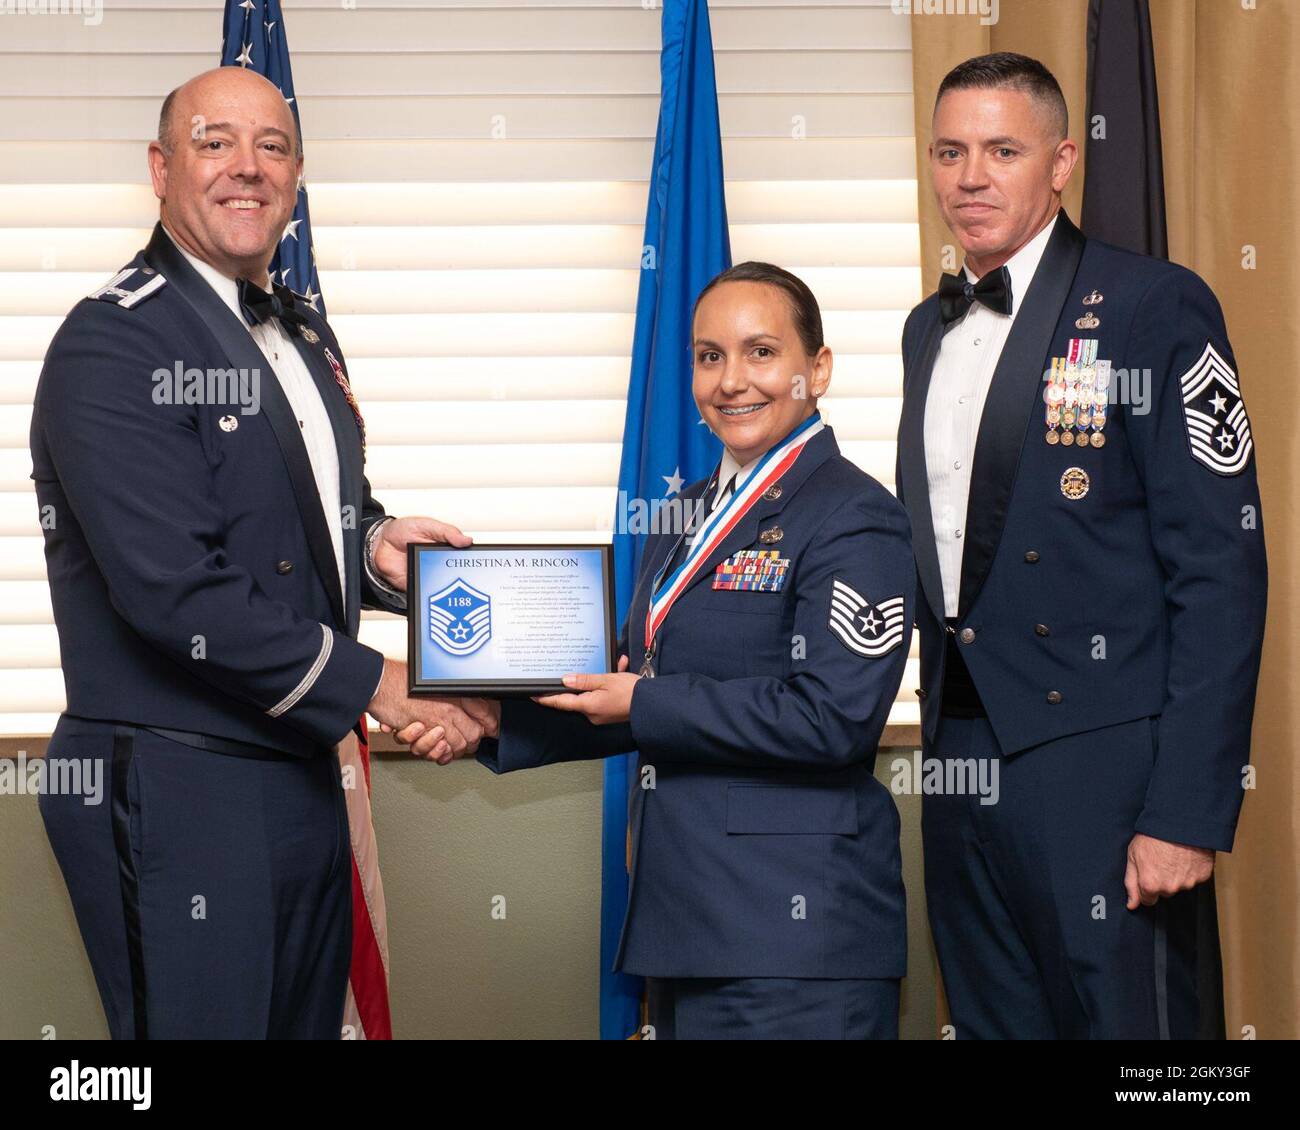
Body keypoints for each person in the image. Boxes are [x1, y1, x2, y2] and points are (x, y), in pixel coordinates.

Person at [30, 66, 486, 1039]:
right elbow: (177, 591)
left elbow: (304, 521)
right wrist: (383, 683)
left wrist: (378, 552)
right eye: (214, 142)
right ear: (160, 167)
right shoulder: (114, 341)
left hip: (293, 762)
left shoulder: (301, 330)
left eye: (272, 145)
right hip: (176, 782)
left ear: (298, 173)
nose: (248, 167)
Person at [394, 262, 915, 1040]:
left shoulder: (854, 515)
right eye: (710, 356)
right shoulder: (682, 517)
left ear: (819, 369)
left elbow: (832, 717)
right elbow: (633, 694)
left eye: (761, 352)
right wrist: (490, 717)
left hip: (796, 940)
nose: (732, 380)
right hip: (686, 929)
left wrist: (641, 699)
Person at [895, 53, 1267, 1039]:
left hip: (1108, 770)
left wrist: (1186, 809)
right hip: (959, 761)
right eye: (949, 151)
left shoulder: (1156, 305)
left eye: (1001, 150)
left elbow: (1220, 567)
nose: (970, 176)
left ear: (1060, 162)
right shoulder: (923, 330)